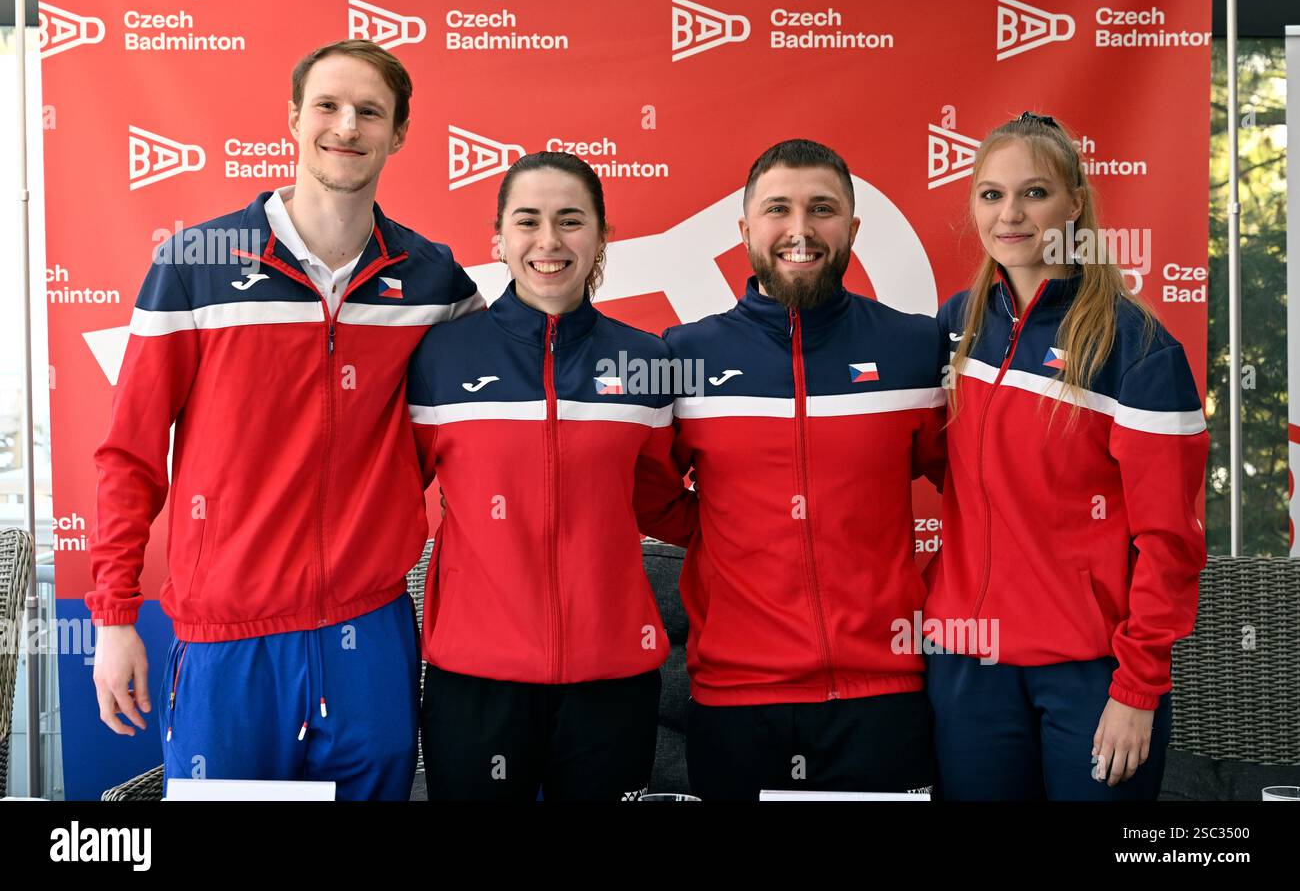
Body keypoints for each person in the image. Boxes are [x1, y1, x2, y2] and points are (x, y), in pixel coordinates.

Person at [87, 39, 483, 799]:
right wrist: (112, 616)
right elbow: (129, 454)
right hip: (228, 639)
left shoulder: (435, 281)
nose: (347, 126)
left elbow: (480, 434)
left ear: (398, 133)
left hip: (370, 631)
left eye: (371, 111)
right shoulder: (196, 262)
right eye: (329, 106)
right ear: (294, 120)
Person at [924, 112, 1209, 800]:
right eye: (991, 195)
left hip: (1090, 674)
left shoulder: (1136, 345)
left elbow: (1169, 541)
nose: (1010, 214)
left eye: (1034, 193)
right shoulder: (955, 325)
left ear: (1074, 203)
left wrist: (1138, 689)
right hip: (969, 665)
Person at [662, 139, 947, 801]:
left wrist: (928, 590)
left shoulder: (913, 345)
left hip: (886, 694)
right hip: (736, 699)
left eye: (822, 209)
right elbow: (646, 490)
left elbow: (973, 488)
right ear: (744, 230)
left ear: (851, 229)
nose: (799, 229)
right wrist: (717, 536)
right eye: (778, 209)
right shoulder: (684, 355)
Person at [406, 151, 696, 801]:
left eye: (570, 221)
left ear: (600, 236)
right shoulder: (439, 356)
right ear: (499, 238)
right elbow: (391, 500)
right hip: (475, 685)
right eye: (528, 221)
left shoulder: (646, 361)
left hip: (611, 683)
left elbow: (659, 502)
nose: (549, 241)